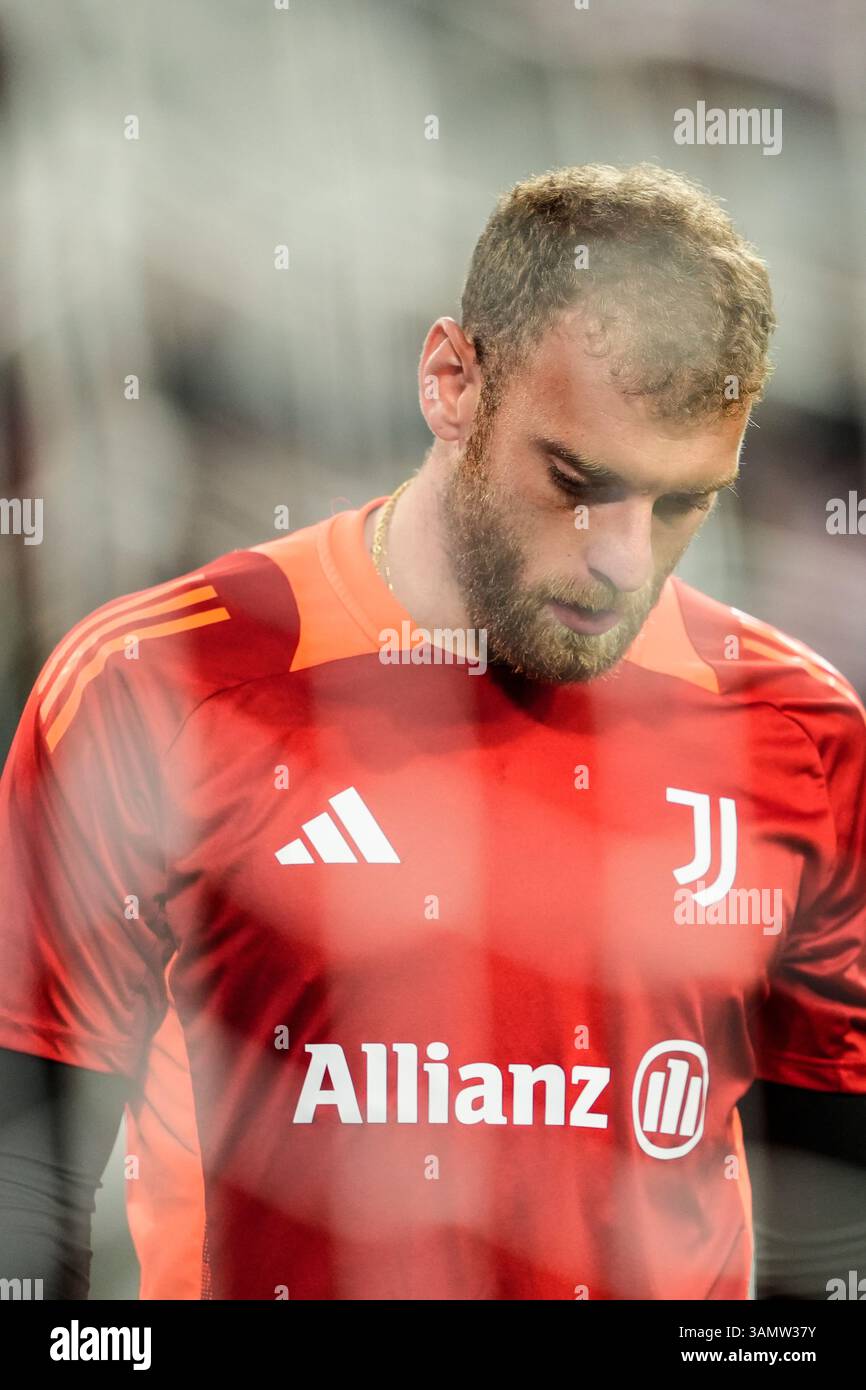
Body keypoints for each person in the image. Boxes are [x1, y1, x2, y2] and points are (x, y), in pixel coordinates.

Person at [1, 163, 864, 1300]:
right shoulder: (156, 683)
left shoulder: (794, 733)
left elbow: (831, 1215)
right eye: (577, 481)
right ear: (451, 381)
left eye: (679, 503)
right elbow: (29, 1185)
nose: (622, 558)